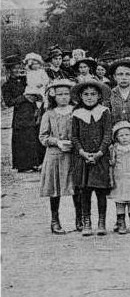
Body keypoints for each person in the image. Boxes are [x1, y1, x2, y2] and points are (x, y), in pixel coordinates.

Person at [71, 79, 113, 236]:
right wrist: (82, 152)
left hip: (100, 157)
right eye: (86, 94)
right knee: (85, 191)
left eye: (93, 94)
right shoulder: (77, 114)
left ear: (99, 96)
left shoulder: (104, 112)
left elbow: (108, 134)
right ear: (81, 96)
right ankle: (86, 221)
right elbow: (74, 136)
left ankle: (101, 222)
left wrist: (99, 153)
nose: (89, 97)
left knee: (101, 191)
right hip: (82, 157)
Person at [39, 79, 79, 234]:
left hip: (73, 155)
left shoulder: (76, 111)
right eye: (60, 94)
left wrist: (74, 143)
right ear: (54, 96)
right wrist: (56, 142)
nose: (63, 97)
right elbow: (43, 137)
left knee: (76, 187)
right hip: (55, 155)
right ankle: (55, 220)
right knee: (55, 188)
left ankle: (80, 219)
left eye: (67, 94)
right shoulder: (49, 114)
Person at [12, 85, 45, 172]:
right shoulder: (22, 103)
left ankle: (31, 164)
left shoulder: (30, 102)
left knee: (30, 146)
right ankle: (23, 167)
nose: (34, 98)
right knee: (23, 147)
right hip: (22, 128)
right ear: (28, 95)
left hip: (28, 128)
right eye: (33, 96)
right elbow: (24, 118)